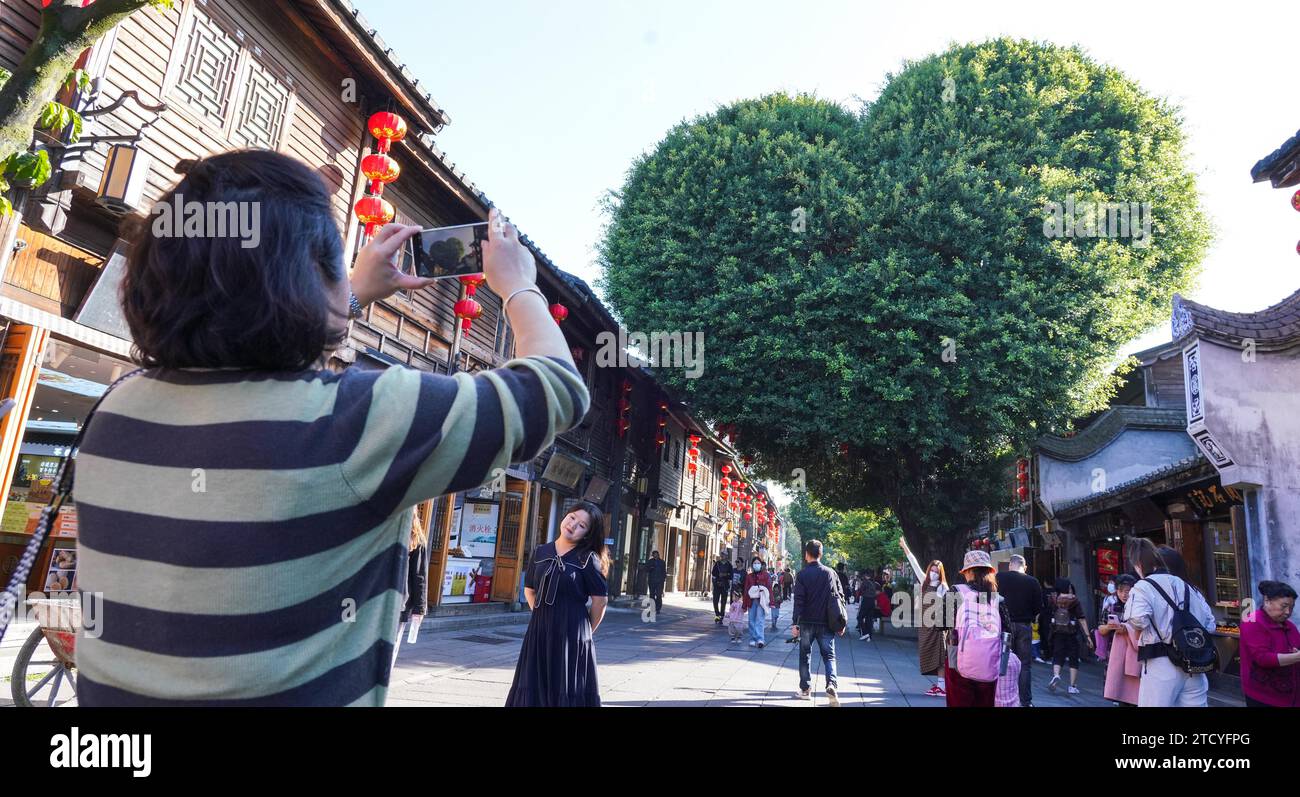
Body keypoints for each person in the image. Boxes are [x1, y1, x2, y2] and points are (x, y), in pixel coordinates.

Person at [73, 150, 588, 706]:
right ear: (304, 280)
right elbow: (554, 389)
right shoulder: (358, 418)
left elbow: (262, 354)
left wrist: (349, 294)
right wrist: (517, 285)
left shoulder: (115, 410)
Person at [506, 502, 608, 706]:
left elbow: (600, 601)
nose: (573, 525)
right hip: (540, 630)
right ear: (565, 516)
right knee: (534, 683)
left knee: (566, 686)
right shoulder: (541, 551)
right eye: (572, 518)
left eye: (581, 525)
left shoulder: (588, 559)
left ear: (587, 534)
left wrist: (585, 633)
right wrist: (542, 614)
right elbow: (529, 588)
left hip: (572, 631)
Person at [1123, 537, 1216, 707]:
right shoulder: (1188, 587)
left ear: (1139, 564)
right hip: (1194, 666)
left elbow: (1138, 620)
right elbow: (1210, 624)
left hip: (1160, 663)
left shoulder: (1143, 586)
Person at [945, 550, 1012, 707]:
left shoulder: (956, 592)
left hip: (958, 661)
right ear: (989, 572)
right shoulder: (997, 599)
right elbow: (1008, 631)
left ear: (968, 571)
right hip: (989, 663)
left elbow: (941, 624)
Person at [791, 539, 843, 705]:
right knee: (829, 656)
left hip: (806, 622)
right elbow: (839, 597)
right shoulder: (830, 573)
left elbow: (798, 600)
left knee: (805, 655)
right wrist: (840, 623)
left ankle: (805, 689)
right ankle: (831, 685)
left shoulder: (802, 575)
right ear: (821, 554)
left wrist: (795, 624)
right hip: (826, 623)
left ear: (807, 554)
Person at [900, 536, 949, 697]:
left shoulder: (943, 587)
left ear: (940, 573)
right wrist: (905, 546)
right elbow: (913, 563)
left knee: (940, 655)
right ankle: (940, 685)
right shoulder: (924, 582)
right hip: (925, 626)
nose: (934, 573)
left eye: (937, 571)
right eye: (932, 570)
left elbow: (947, 608)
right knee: (930, 655)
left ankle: (942, 687)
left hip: (937, 626)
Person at [1239, 580, 1300, 707]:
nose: (1288, 612)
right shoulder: (1252, 621)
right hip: (1265, 697)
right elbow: (1263, 658)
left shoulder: (1290, 626)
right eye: (1283, 606)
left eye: (1292, 607)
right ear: (1267, 601)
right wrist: (1296, 657)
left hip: (1292, 697)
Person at [998, 554, 1043, 706]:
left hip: (1004, 626)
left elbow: (990, 598)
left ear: (1010, 565)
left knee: (1003, 662)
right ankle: (1026, 701)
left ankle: (1003, 697)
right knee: (1024, 665)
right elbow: (1038, 608)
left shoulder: (999, 578)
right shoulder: (1033, 581)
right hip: (1024, 626)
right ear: (1024, 567)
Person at [1100, 574, 1141, 706]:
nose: (1124, 595)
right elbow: (1100, 629)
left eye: (1127, 591)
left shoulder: (1139, 607)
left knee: (1135, 689)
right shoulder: (1111, 606)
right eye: (1120, 591)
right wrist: (1109, 627)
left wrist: (1126, 628)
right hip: (1114, 652)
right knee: (1118, 688)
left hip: (1134, 652)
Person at [393, 513, 429, 665]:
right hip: (400, 600)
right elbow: (420, 576)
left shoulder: (415, 540)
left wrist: (420, 608)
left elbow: (419, 576)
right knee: (391, 644)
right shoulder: (416, 540)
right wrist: (420, 609)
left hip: (388, 599)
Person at [1047, 577, 1091, 694]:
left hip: (1057, 631)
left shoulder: (1053, 599)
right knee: (1073, 657)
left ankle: (1056, 675)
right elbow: (1081, 618)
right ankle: (1072, 686)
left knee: (1058, 655)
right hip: (1071, 632)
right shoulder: (1074, 601)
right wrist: (1087, 636)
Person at [742, 557, 773, 648]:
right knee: (751, 620)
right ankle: (752, 638)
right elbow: (746, 590)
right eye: (754, 563)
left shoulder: (766, 575)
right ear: (752, 565)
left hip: (762, 600)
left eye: (758, 563)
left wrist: (771, 602)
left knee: (760, 620)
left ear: (761, 564)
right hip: (751, 600)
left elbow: (769, 588)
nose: (756, 565)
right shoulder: (749, 576)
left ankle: (760, 639)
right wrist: (744, 604)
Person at [712, 556, 735, 624]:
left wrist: (725, 575)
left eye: (724, 554)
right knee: (715, 600)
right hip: (717, 585)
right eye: (721, 554)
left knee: (723, 602)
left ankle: (721, 616)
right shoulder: (717, 564)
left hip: (725, 585)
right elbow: (713, 573)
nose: (722, 556)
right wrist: (718, 574)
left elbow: (731, 576)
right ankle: (717, 614)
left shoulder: (729, 565)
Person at [857, 571, 880, 641]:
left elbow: (860, 590)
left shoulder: (865, 582)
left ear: (866, 575)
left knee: (860, 617)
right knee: (869, 619)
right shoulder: (874, 583)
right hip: (872, 601)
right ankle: (869, 636)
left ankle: (865, 632)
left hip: (866, 600)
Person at [645, 550, 667, 617]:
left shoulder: (662, 562)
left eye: (656, 554)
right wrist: (650, 568)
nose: (655, 555)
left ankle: (658, 608)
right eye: (654, 554)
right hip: (652, 580)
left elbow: (664, 571)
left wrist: (663, 579)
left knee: (658, 595)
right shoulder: (650, 561)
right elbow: (646, 569)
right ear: (652, 555)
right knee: (652, 595)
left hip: (659, 581)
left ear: (658, 555)